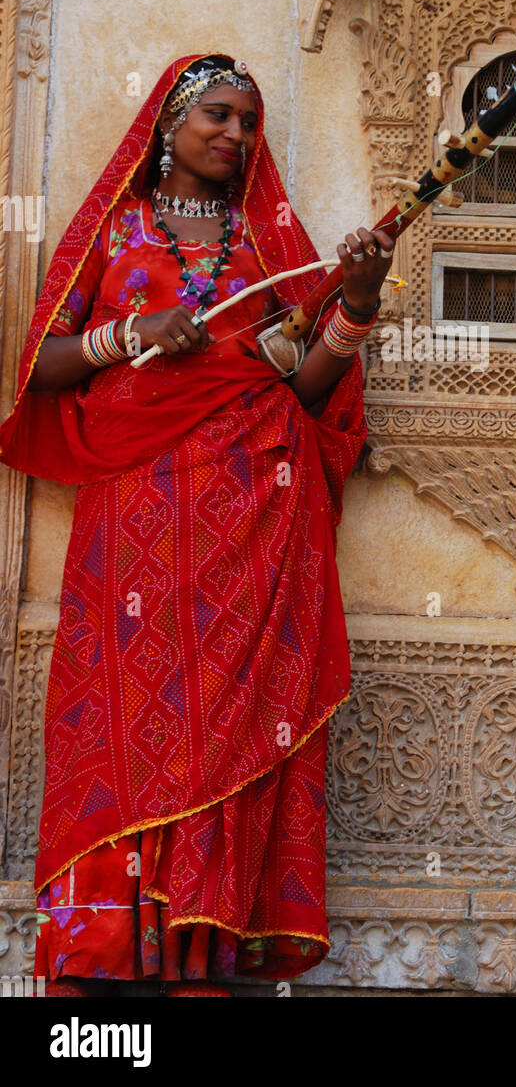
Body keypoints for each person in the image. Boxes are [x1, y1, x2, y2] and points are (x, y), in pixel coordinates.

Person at [0, 52, 394, 994]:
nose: (235, 136)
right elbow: (39, 370)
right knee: (123, 720)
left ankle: (199, 956)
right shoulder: (117, 231)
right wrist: (132, 333)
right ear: (167, 123)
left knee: (229, 730)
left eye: (249, 123)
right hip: (135, 512)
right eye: (217, 115)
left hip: (257, 519)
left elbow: (302, 387)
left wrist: (357, 301)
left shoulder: (267, 245)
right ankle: (100, 967)